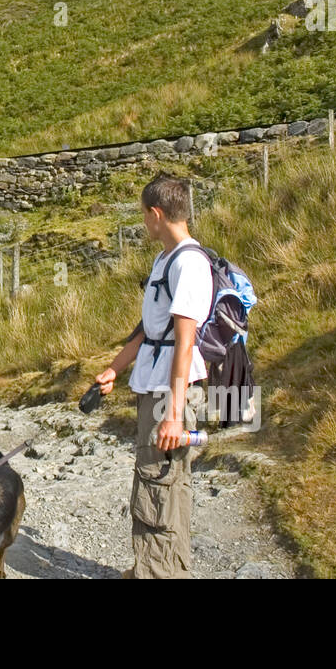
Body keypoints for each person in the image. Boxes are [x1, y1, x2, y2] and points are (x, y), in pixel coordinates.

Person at [94, 173, 212, 579]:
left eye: (144, 215)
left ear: (157, 214)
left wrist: (174, 415)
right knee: (167, 485)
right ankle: (161, 569)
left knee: (156, 485)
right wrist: (115, 368)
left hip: (168, 396)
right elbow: (149, 329)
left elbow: (183, 343)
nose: (144, 223)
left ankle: (155, 573)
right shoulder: (165, 260)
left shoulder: (189, 264)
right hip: (157, 389)